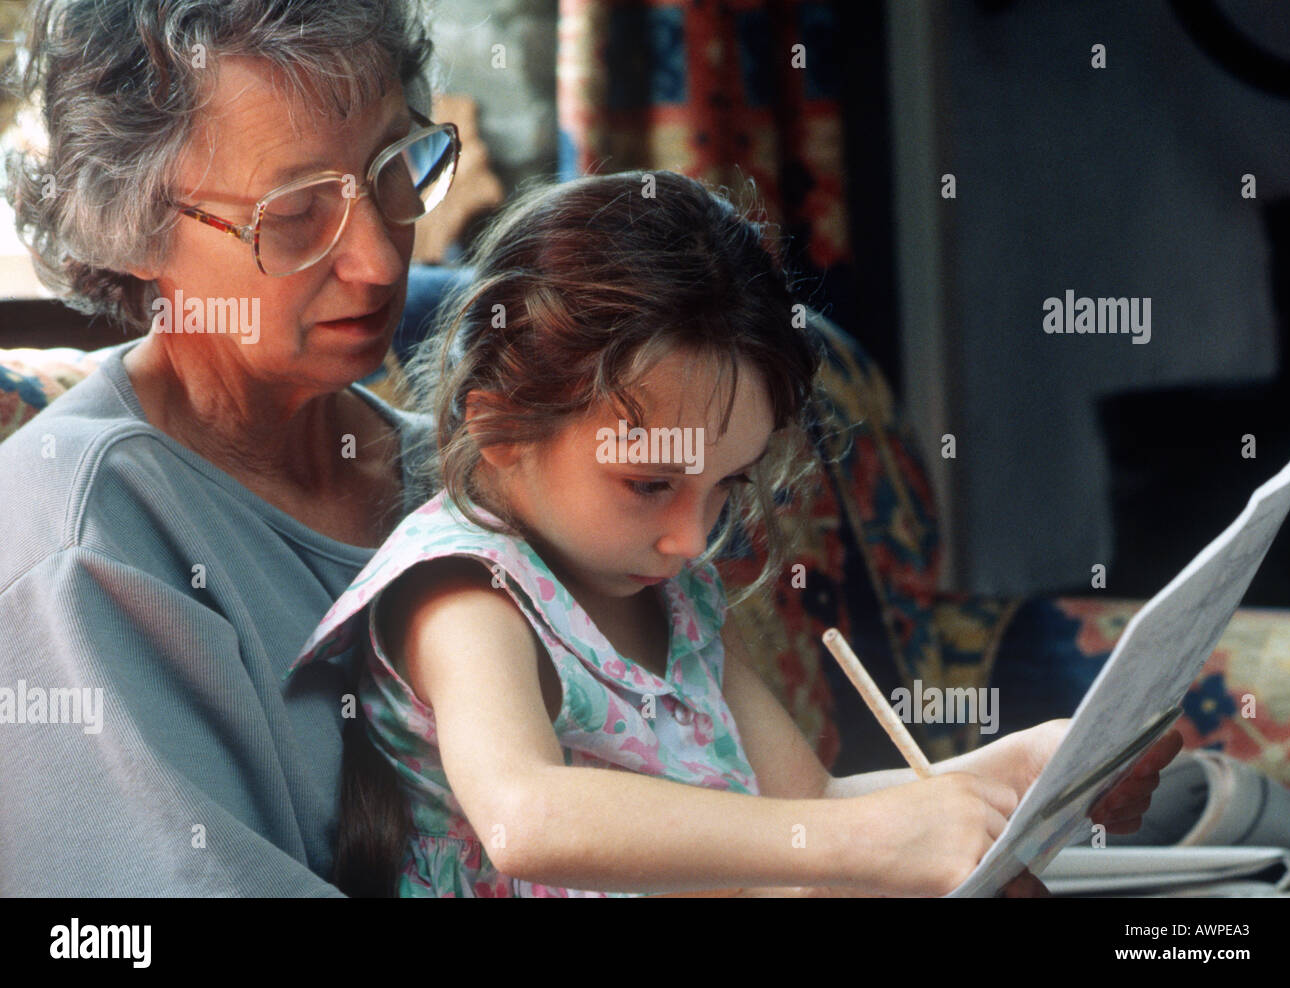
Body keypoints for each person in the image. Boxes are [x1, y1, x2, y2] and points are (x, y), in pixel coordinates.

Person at [289, 171, 1182, 897]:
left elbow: (811, 801)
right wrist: (860, 841)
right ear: (500, 426)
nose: (693, 538)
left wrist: (1016, 772)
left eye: (726, 487)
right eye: (649, 484)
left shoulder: (671, 598)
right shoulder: (464, 592)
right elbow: (528, 819)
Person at [0, 0, 455, 895]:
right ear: (129, 226)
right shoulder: (79, 542)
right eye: (295, 213)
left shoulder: (475, 480)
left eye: (392, 166)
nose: (379, 259)